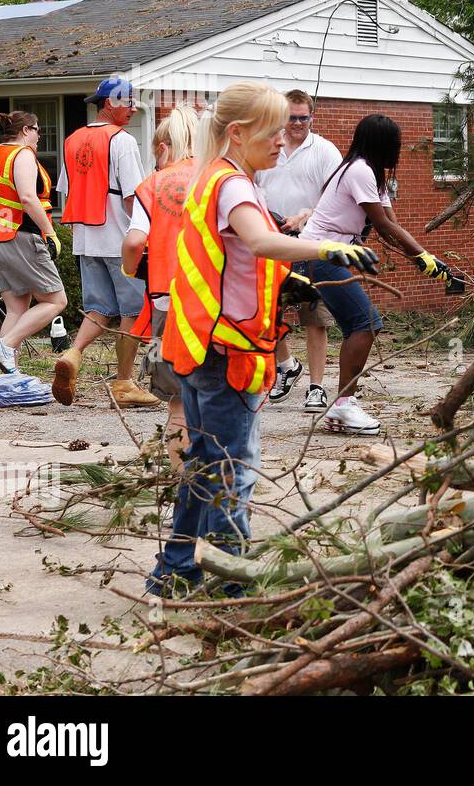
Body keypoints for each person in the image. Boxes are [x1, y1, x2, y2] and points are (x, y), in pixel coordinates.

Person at [147, 82, 379, 597]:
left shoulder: (213, 176)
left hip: (201, 345)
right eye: (272, 131)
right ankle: (234, 585)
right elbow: (258, 241)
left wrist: (283, 281)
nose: (282, 140)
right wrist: (328, 249)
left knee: (205, 462)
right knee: (234, 469)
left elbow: (234, 259)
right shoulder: (233, 185)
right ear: (237, 133)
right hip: (227, 351)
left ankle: (176, 569)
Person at [300, 114, 457, 436]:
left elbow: (390, 225)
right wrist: (422, 256)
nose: (398, 151)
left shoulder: (372, 174)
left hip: (329, 256)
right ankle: (343, 406)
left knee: (357, 326)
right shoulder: (358, 170)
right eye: (395, 145)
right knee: (366, 323)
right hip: (319, 255)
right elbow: (383, 225)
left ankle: (342, 406)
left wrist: (423, 258)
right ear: (381, 144)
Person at [54, 77, 159, 408]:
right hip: (120, 239)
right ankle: (124, 383)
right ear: (110, 103)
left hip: (86, 238)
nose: (133, 109)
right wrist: (148, 233)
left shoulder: (72, 139)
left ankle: (73, 353)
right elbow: (132, 197)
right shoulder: (122, 141)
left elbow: (67, 190)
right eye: (128, 102)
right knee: (134, 311)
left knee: (99, 309)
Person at [255, 89, 342, 411]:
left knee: (315, 317)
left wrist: (306, 216)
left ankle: (316, 387)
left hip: (311, 244)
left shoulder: (324, 151)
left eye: (303, 118)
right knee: (268, 313)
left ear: (311, 117)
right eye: (291, 118)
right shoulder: (268, 147)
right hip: (272, 243)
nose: (297, 124)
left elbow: (338, 198)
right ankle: (287, 365)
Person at [121, 105, 199, 467]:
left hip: (167, 301)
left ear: (163, 147)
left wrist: (129, 269)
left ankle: (182, 481)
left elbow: (135, 240)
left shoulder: (153, 184)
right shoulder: (218, 177)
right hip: (216, 300)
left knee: (178, 403)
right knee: (218, 397)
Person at [0, 111, 69, 374]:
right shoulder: (23, 154)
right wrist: (50, 233)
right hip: (20, 236)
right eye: (38, 130)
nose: (40, 136)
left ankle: (10, 376)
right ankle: (6, 345)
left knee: (16, 309)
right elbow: (28, 198)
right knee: (56, 301)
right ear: (26, 130)